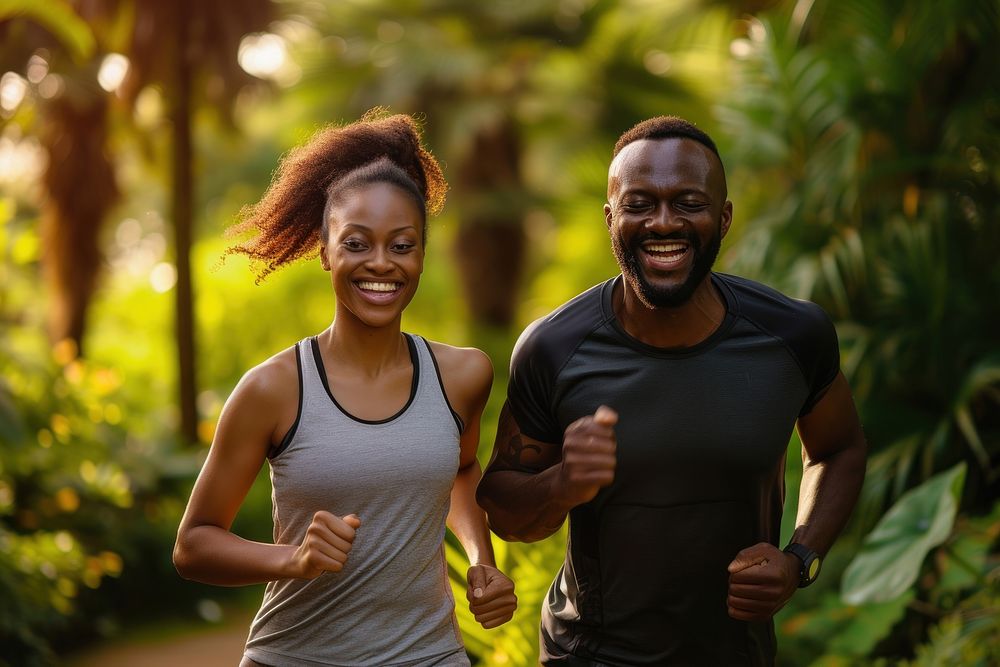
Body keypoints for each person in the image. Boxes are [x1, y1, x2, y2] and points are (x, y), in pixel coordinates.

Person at [476, 115, 867, 666]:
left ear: (724, 218)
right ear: (610, 218)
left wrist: (800, 557)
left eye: (688, 202)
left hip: (738, 655)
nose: (663, 223)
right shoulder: (553, 348)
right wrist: (562, 483)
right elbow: (505, 514)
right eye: (638, 204)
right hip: (588, 655)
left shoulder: (792, 335)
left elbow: (839, 450)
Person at [173, 110, 517, 667]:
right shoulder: (273, 389)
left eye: (401, 245)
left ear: (422, 255)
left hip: (431, 656)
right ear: (325, 252)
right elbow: (193, 546)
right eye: (357, 243)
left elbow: (459, 468)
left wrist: (481, 557)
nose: (381, 263)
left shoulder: (463, 376)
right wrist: (293, 559)